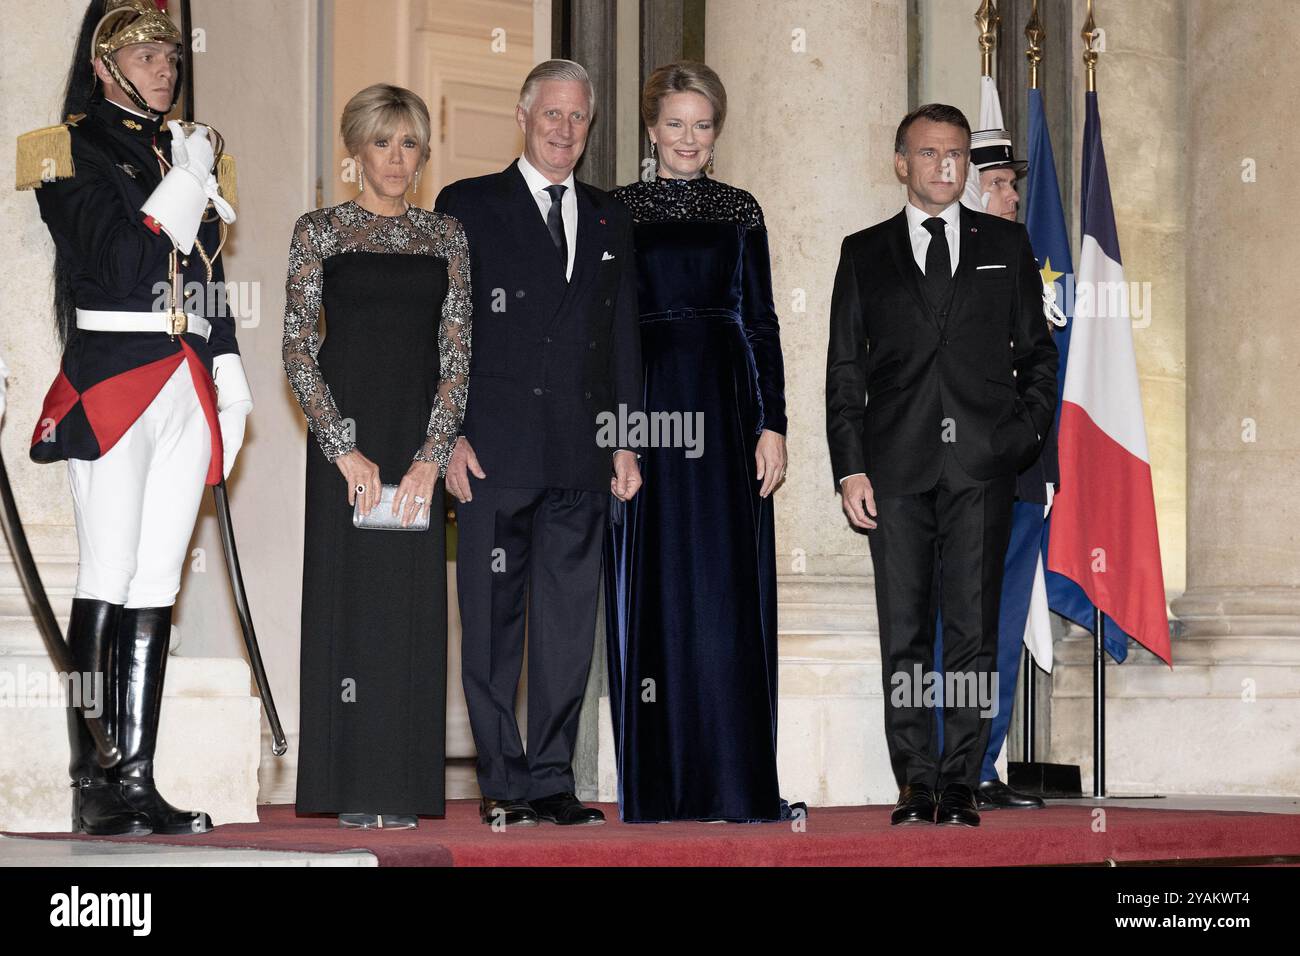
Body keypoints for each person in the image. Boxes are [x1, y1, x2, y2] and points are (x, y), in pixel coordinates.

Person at [16, 0, 248, 835]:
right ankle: (94, 778)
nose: (165, 70)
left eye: (171, 59)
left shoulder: (177, 147)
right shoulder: (64, 148)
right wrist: (188, 179)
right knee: (107, 574)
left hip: (185, 375)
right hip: (115, 375)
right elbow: (120, 265)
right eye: (148, 57)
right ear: (106, 65)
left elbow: (206, 270)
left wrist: (228, 367)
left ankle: (141, 777)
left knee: (157, 580)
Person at [825, 104, 1057, 828]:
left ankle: (958, 780)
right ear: (902, 163)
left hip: (980, 473)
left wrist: (1014, 440)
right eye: (929, 154)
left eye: (955, 154)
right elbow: (843, 374)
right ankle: (914, 780)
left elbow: (1038, 359)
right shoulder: (863, 252)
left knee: (972, 633)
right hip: (894, 474)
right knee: (905, 635)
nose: (945, 166)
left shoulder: (1008, 245)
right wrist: (850, 467)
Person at [435, 59, 643, 828]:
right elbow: (445, 330)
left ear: (590, 126)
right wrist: (446, 436)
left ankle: (552, 778)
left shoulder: (612, 215)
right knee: (491, 621)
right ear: (523, 116)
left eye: (578, 117)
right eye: (551, 114)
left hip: (581, 455)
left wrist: (625, 443)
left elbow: (621, 336)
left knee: (565, 626)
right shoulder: (467, 205)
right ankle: (502, 778)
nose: (564, 129)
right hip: (490, 450)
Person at [605, 62, 793, 822]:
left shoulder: (741, 208)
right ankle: (662, 784)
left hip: (726, 408)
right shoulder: (615, 209)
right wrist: (619, 433)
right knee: (656, 584)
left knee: (724, 592)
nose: (689, 138)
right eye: (675, 123)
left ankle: (736, 780)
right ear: (651, 130)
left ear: (717, 132)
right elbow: (604, 330)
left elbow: (762, 322)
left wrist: (772, 421)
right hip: (646, 404)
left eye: (703, 124)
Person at [283, 84, 470, 829]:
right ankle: (344, 788)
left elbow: (458, 357)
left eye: (410, 144)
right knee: (349, 606)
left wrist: (431, 458)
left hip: (417, 440)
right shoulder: (318, 230)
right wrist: (343, 449)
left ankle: (402, 789)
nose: (396, 158)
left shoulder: (448, 235)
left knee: (410, 613)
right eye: (383, 142)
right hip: (343, 449)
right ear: (356, 149)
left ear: (423, 155)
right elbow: (297, 348)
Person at [945, 127, 1055, 811]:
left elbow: (1040, 368)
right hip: (962, 477)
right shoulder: (943, 267)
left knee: (1004, 623)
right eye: (1000, 182)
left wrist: (1030, 451)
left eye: (1013, 182)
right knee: (956, 626)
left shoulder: (1020, 261)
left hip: (1021, 476)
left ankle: (985, 763)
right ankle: (946, 761)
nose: (1013, 193)